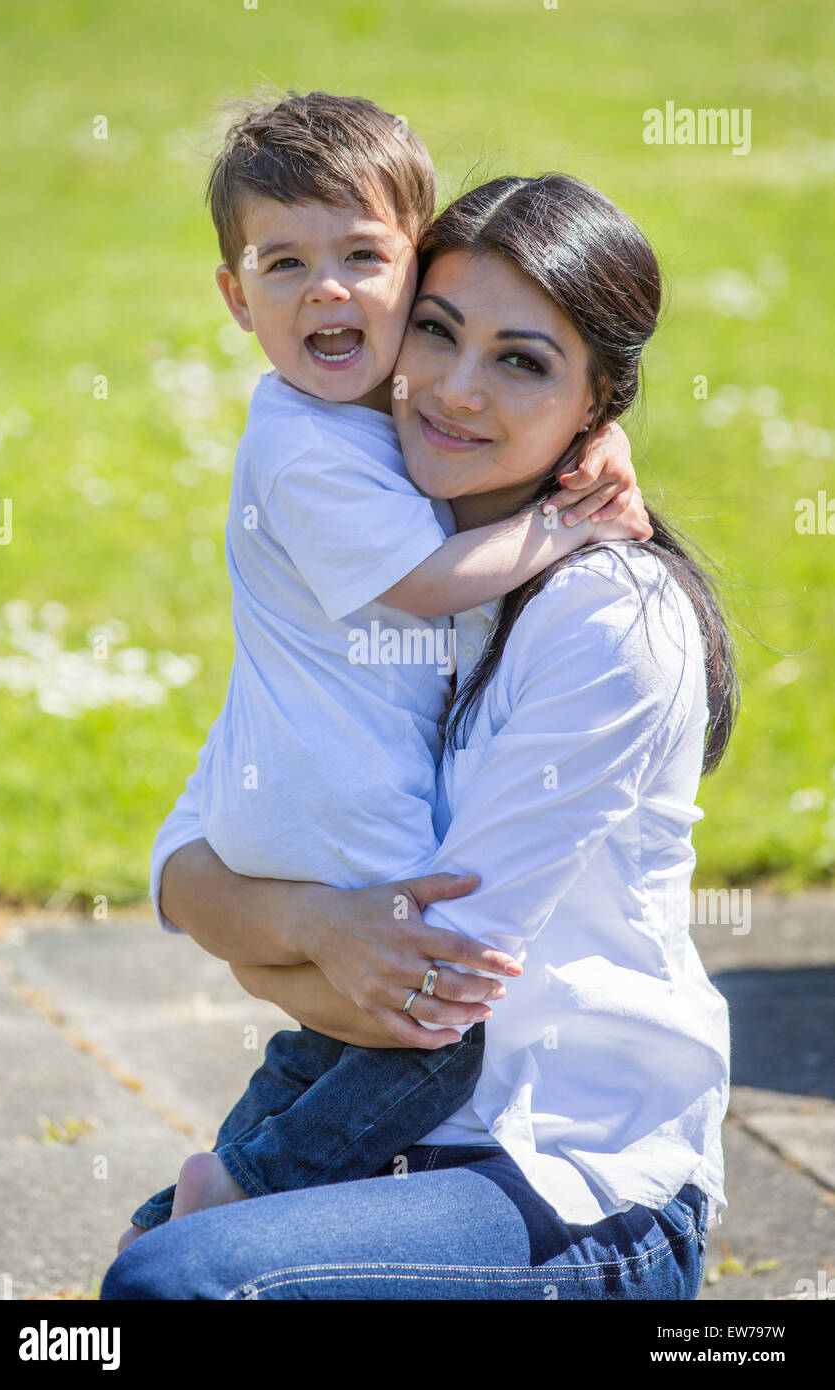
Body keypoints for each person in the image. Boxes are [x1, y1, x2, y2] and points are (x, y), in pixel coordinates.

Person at [102, 169, 738, 1301]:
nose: (451, 389)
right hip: (385, 1107)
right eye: (435, 333)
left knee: (177, 1285)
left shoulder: (606, 620)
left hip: (564, 1175)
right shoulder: (386, 551)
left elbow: (430, 989)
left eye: (520, 361)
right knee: (145, 1271)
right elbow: (187, 859)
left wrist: (268, 947)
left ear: (597, 406)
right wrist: (312, 924)